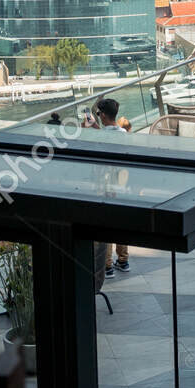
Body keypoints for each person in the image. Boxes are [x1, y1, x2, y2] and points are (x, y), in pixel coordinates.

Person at [86, 99, 134, 274]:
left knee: (106, 225)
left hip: (105, 184)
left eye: (99, 114)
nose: (98, 116)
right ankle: (123, 260)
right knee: (121, 222)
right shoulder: (125, 135)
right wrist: (96, 127)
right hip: (122, 183)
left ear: (103, 115)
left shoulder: (99, 137)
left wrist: (89, 128)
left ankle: (106, 266)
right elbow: (111, 133)